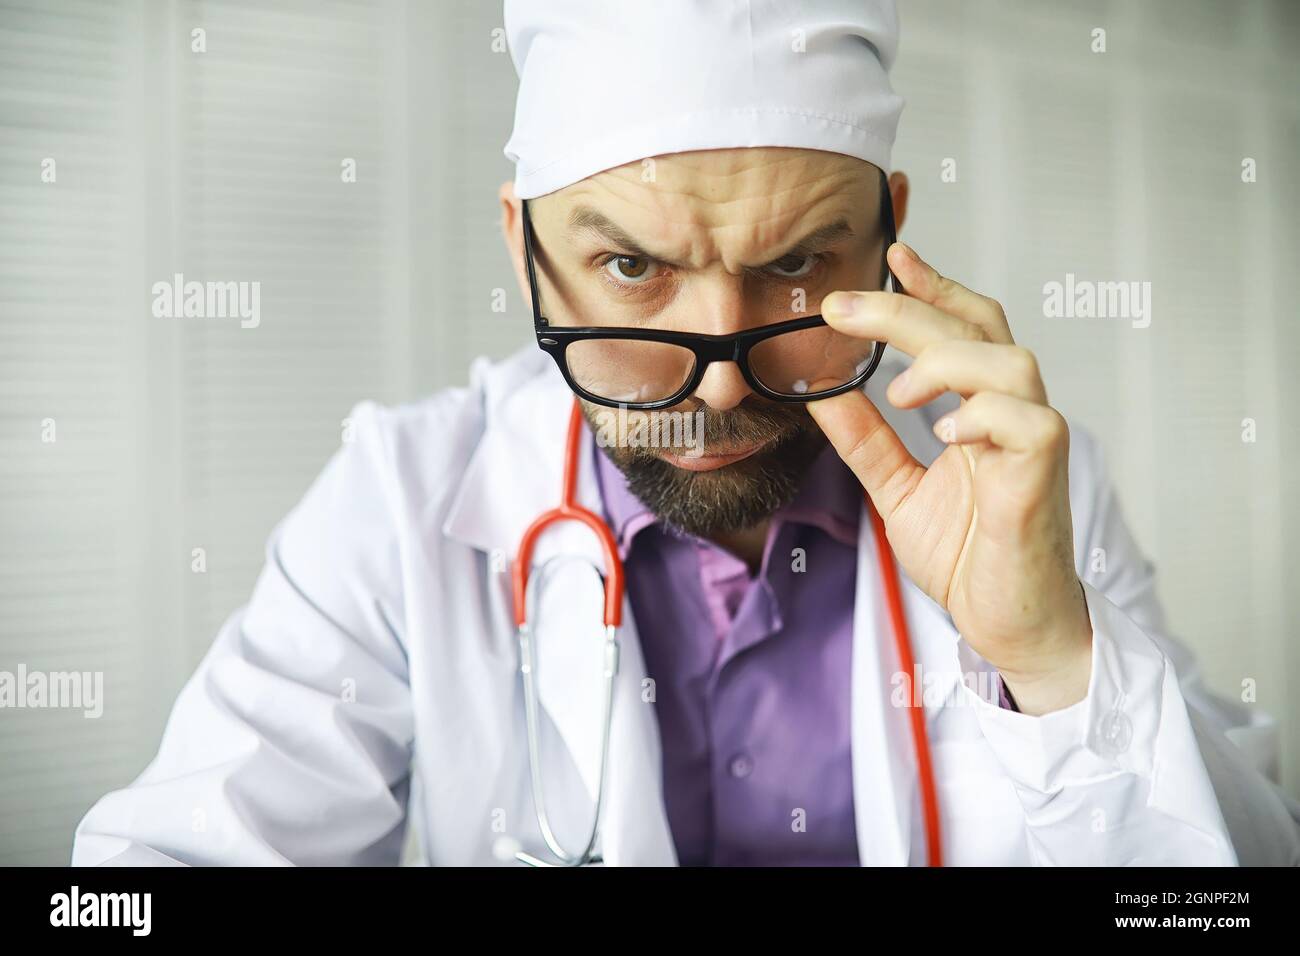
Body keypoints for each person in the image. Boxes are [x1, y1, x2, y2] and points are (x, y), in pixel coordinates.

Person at [73, 0, 1299, 866]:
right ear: (524, 248)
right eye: (628, 267)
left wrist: (1051, 659)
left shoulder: (1023, 489)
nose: (714, 387)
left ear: (887, 235)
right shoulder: (400, 498)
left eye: (797, 264)